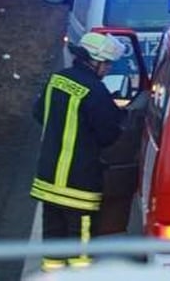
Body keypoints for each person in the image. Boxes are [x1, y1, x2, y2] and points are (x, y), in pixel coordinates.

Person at [31, 32, 127, 271]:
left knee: (53, 243)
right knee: (81, 252)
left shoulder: (57, 80)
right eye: (107, 64)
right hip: (79, 185)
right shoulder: (95, 91)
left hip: (49, 181)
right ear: (94, 61)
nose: (108, 69)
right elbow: (109, 135)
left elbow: (40, 114)